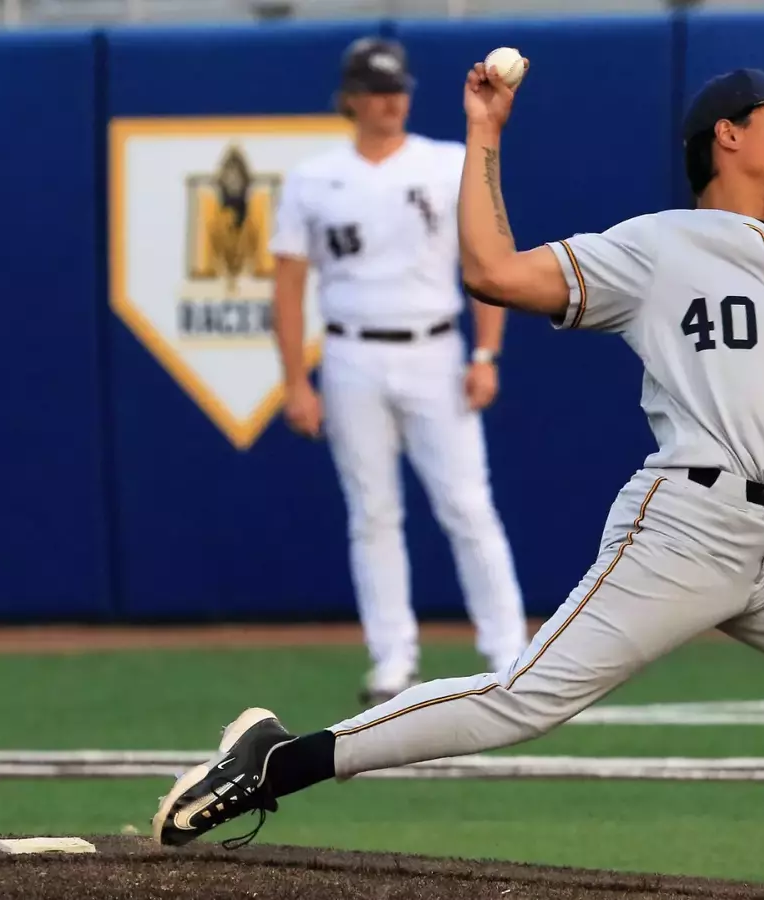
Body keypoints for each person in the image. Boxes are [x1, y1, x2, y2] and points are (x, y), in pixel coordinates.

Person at [154, 57, 764, 900]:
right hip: (686, 524)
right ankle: (276, 762)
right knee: (526, 698)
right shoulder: (653, 248)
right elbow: (494, 272)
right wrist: (485, 133)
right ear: (727, 137)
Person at [268, 37, 529, 706]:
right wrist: (295, 381)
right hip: (350, 352)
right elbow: (288, 284)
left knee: (467, 504)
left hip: (434, 348)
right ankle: (392, 658)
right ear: (349, 99)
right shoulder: (313, 178)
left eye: (398, 89)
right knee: (372, 512)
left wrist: (486, 353)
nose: (390, 101)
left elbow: (484, 260)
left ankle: (510, 652)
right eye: (376, 90)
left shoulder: (445, 163)